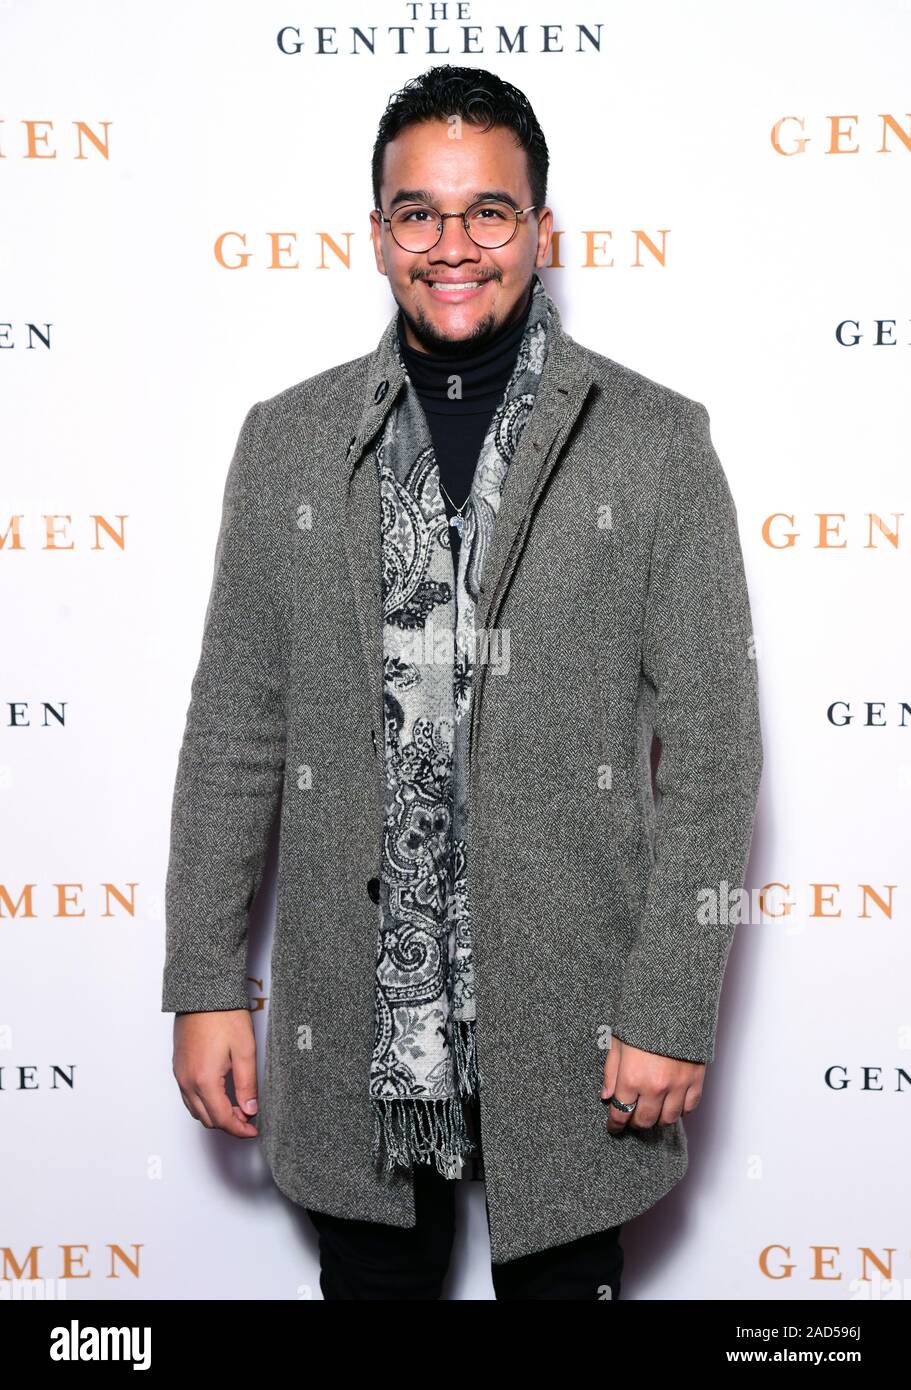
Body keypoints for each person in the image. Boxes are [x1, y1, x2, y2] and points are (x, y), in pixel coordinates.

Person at [162, 64, 764, 1300]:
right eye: (417, 213)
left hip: (576, 1021)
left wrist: (667, 1005)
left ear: (541, 230)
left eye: (488, 211)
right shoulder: (287, 438)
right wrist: (206, 979)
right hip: (355, 1017)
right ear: (377, 231)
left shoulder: (655, 443)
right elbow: (236, 728)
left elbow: (713, 748)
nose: (453, 245)